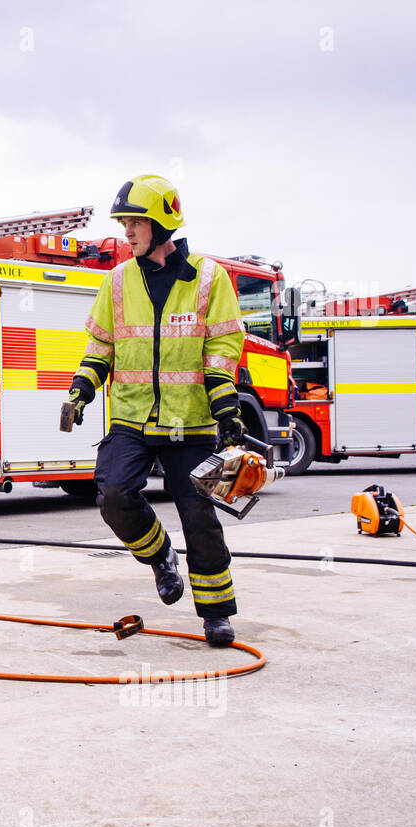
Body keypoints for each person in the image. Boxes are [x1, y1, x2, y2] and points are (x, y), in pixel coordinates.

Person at [65, 174, 245, 646]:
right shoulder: (118, 280)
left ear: (161, 223)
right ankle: (161, 557)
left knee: (200, 518)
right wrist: (81, 389)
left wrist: (226, 406)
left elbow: (223, 344)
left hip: (192, 420)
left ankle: (215, 614)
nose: (126, 232)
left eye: (133, 223)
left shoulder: (209, 278)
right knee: (114, 496)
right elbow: (101, 344)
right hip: (132, 417)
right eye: (124, 223)